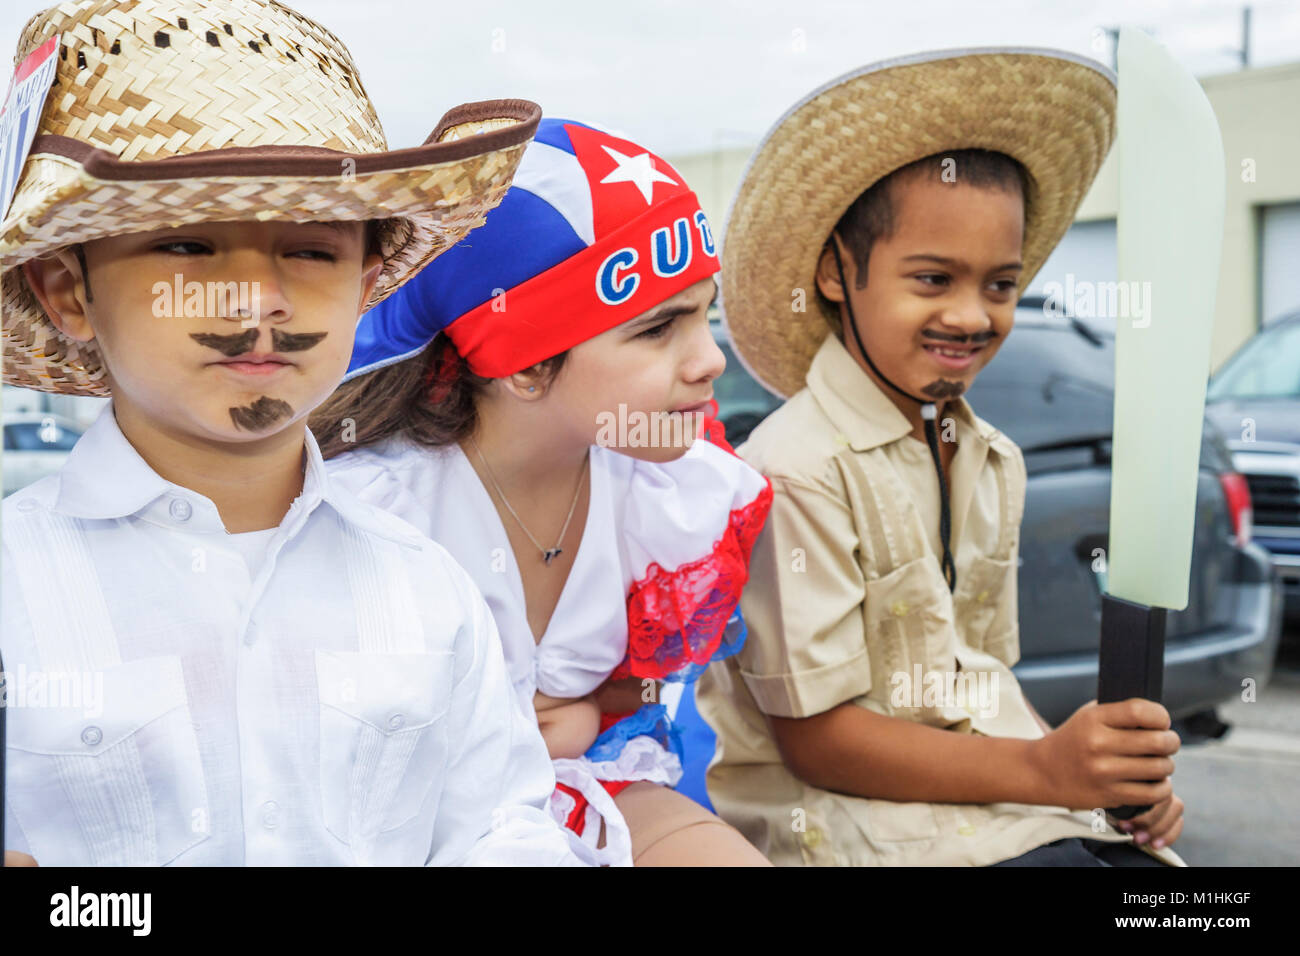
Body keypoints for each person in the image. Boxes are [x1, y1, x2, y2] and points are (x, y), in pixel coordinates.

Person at [0, 0, 582, 867]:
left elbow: (502, 831)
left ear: (366, 281)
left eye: (310, 252)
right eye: (189, 245)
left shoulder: (429, 590)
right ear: (67, 291)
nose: (254, 300)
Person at [695, 46, 1187, 866]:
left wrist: (1097, 777)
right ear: (833, 271)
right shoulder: (794, 470)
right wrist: (1044, 769)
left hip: (994, 814)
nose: (972, 315)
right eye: (931, 279)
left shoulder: (989, 459)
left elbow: (980, 677)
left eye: (1001, 285)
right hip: (846, 831)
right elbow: (820, 743)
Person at [315, 117, 773, 866]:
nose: (709, 360)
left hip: (588, 788)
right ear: (524, 363)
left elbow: (645, 695)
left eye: (705, 314)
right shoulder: (372, 516)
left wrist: (595, 709)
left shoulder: (664, 491)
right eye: (659, 329)